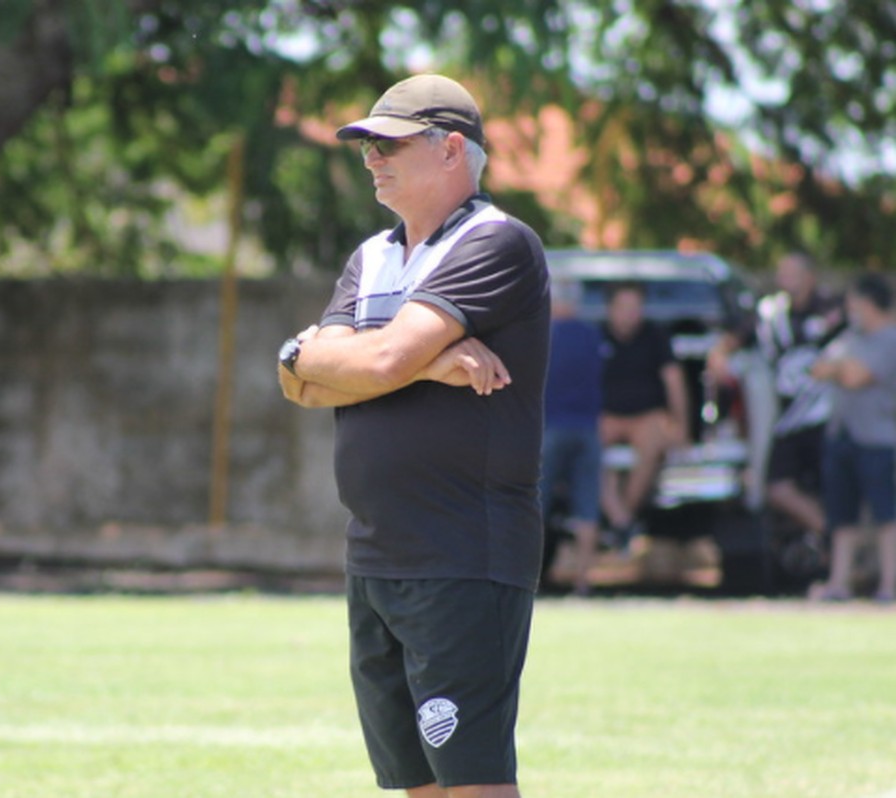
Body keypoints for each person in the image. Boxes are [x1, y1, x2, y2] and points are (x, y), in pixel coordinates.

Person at [276, 74, 549, 797]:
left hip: (462, 553)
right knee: (417, 785)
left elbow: (369, 361)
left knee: (474, 783)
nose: (371, 158)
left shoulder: (497, 243)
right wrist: (428, 367)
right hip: (376, 556)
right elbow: (301, 381)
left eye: (389, 143)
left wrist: (341, 357)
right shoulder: (372, 257)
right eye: (366, 145)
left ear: (451, 149)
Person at [707, 252, 845, 546]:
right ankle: (832, 537)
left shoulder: (833, 308)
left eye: (791, 272)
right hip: (788, 418)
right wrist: (718, 357)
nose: (784, 278)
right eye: (781, 272)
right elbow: (733, 340)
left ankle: (842, 549)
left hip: (829, 416)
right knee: (777, 486)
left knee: (837, 487)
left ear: (809, 276)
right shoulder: (769, 312)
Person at [808, 273, 896, 603]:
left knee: (888, 515)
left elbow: (858, 376)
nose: (850, 310)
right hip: (842, 436)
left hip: (880, 439)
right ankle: (839, 583)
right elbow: (819, 368)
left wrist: (839, 368)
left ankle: (890, 585)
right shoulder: (850, 338)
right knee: (841, 517)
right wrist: (840, 367)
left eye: (855, 304)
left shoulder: (890, 340)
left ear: (869, 304)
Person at [598, 282, 688, 536]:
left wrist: (681, 424)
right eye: (624, 307)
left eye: (636, 307)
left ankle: (621, 519)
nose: (630, 313)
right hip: (607, 417)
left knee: (652, 447)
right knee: (587, 447)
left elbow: (674, 382)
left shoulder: (656, 336)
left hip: (647, 416)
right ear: (610, 309)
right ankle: (621, 521)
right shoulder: (596, 336)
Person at [540, 277, 603, 595]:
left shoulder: (544, 336)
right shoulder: (592, 335)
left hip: (550, 429)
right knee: (587, 507)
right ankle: (583, 581)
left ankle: (529, 578)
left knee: (536, 504)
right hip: (588, 429)